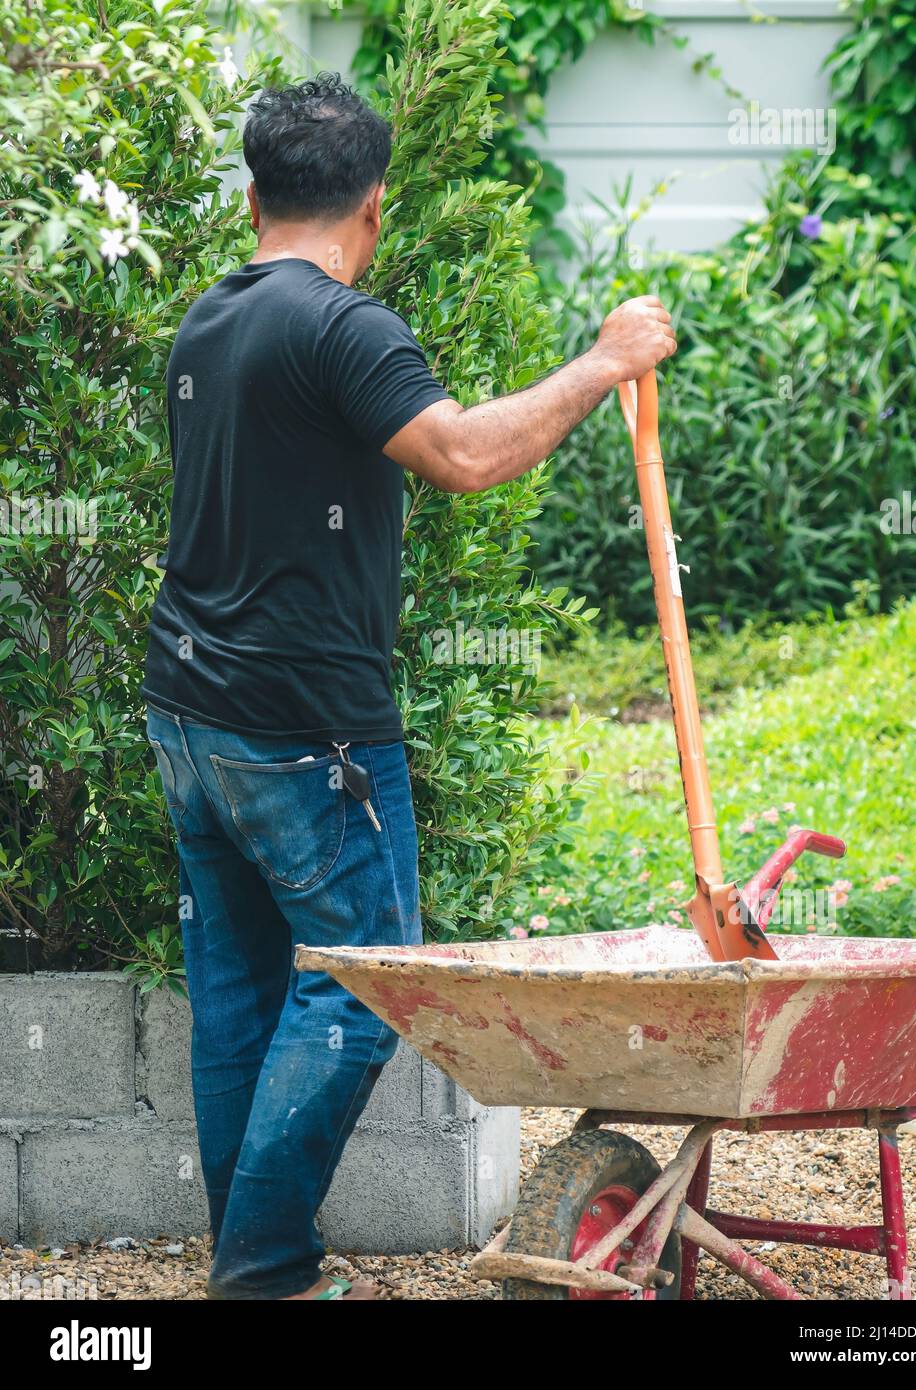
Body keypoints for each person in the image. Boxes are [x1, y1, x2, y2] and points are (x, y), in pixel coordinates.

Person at [141, 72, 676, 1301]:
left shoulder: (208, 320)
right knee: (363, 988)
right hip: (304, 735)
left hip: (190, 715)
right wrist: (604, 362)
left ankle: (259, 1269)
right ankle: (260, 1271)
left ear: (253, 196)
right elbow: (466, 455)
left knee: (238, 996)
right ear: (375, 204)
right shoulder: (344, 327)